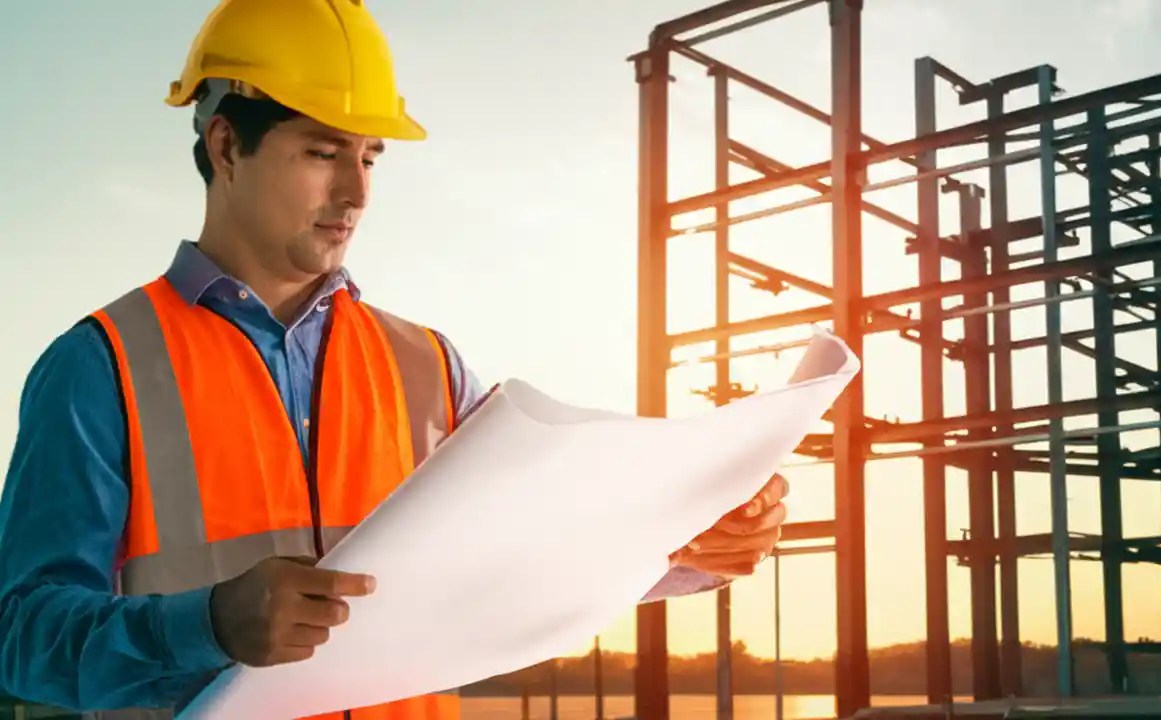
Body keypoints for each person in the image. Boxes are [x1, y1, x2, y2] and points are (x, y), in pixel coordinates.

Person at [0, 1, 789, 718]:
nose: (356, 193)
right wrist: (205, 625)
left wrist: (687, 536)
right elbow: (21, 634)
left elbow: (533, 551)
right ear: (226, 145)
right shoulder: (100, 366)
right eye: (321, 152)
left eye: (370, 158)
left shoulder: (430, 366)